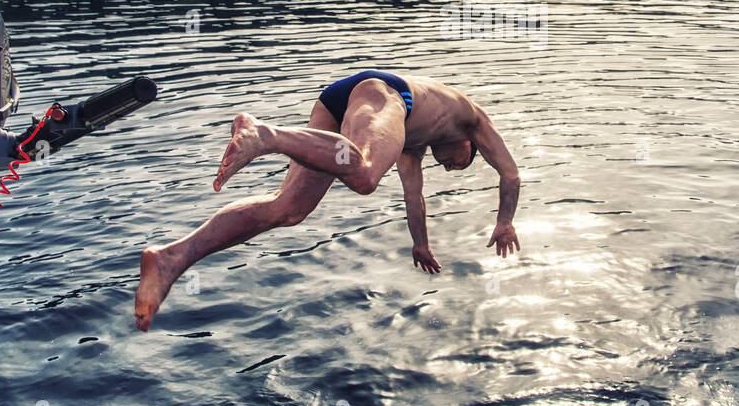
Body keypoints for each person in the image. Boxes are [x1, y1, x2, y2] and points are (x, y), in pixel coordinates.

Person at [134, 71, 521, 331]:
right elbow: (510, 173)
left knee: (287, 209)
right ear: (471, 145)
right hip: (383, 91)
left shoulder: (412, 146)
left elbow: (414, 197)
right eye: (462, 163)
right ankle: (265, 134)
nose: (453, 167)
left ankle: (171, 258)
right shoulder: (473, 118)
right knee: (366, 174)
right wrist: (504, 221)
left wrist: (420, 244)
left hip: (342, 101)